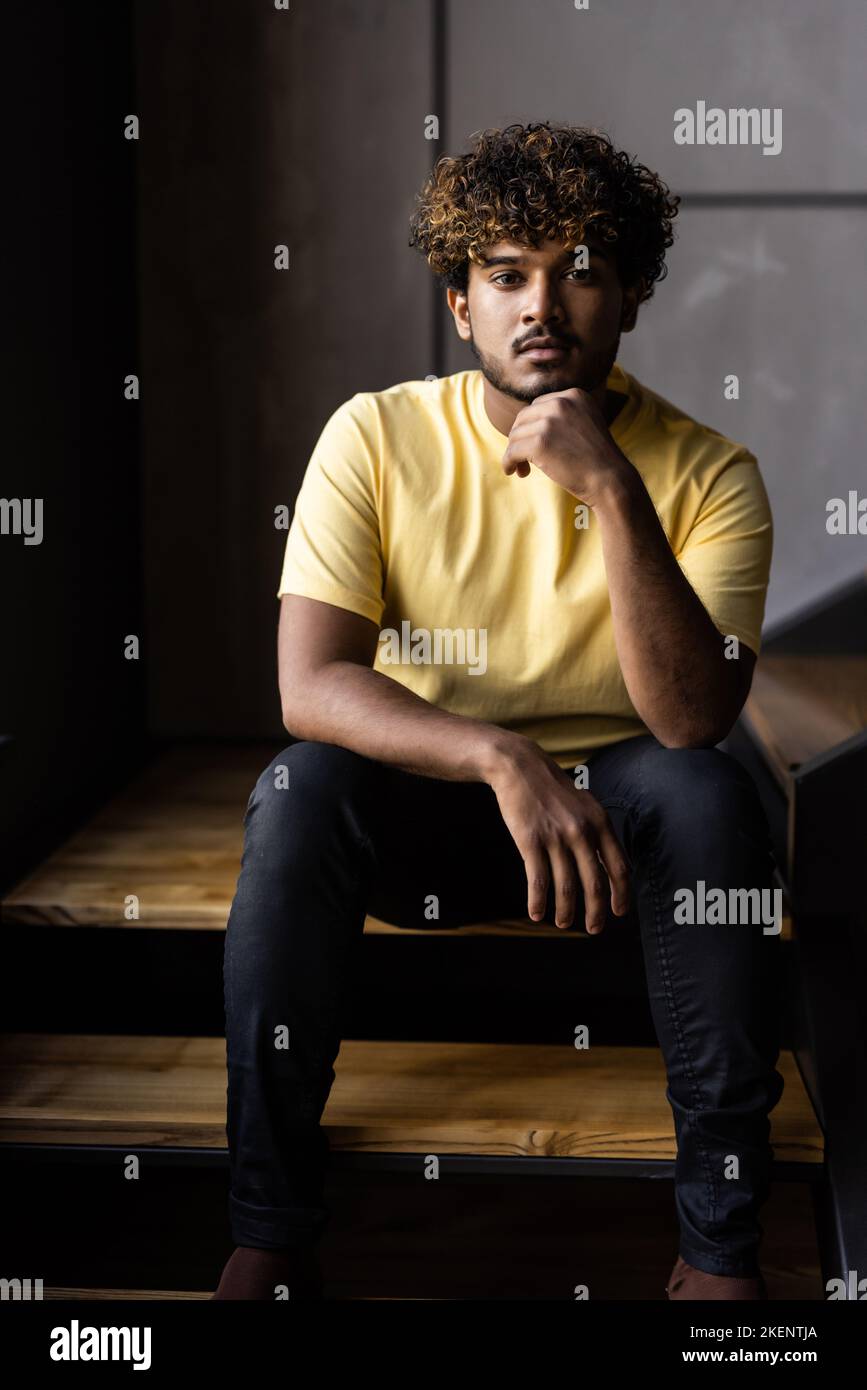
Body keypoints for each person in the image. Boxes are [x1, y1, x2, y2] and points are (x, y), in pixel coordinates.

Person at [212, 121, 784, 1301]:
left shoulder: (710, 472)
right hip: (433, 806)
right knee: (295, 785)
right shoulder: (374, 437)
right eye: (507, 273)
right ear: (461, 301)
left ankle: (719, 1251)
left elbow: (690, 715)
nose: (543, 304)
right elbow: (309, 684)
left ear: (627, 298)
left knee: (715, 790)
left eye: (581, 271)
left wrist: (614, 490)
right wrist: (496, 755)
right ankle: (269, 1225)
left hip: (618, 833)